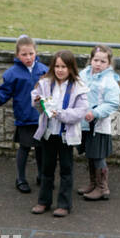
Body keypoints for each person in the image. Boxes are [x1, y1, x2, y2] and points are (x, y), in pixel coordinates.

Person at [0, 34, 46, 192]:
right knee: (25, 148)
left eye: (31, 53)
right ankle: (20, 178)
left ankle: (42, 175)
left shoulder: (44, 71)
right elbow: (3, 94)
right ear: (17, 55)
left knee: (42, 148)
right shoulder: (12, 73)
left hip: (42, 117)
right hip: (25, 117)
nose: (28, 57)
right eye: (24, 54)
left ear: (36, 53)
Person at [30, 51, 89, 217]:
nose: (60, 70)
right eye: (57, 66)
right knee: (46, 169)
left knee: (66, 170)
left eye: (64, 66)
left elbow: (81, 111)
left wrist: (61, 114)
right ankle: (43, 201)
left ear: (71, 68)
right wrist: (37, 102)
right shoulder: (45, 83)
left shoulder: (78, 87)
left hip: (66, 135)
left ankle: (64, 204)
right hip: (49, 133)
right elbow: (37, 103)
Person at [77, 45, 120, 202]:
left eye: (103, 61)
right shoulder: (83, 75)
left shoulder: (109, 81)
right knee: (90, 153)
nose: (98, 64)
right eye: (95, 60)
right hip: (84, 123)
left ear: (109, 63)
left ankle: (103, 188)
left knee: (98, 155)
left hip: (99, 125)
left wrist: (95, 113)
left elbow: (113, 103)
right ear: (91, 60)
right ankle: (93, 183)